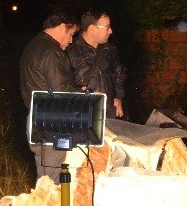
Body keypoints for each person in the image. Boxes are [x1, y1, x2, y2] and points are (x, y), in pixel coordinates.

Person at [19, 11, 79, 181]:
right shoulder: (51, 51)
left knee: (45, 177)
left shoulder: (33, 45)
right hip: (52, 121)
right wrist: (84, 94)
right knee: (53, 180)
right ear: (62, 27)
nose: (71, 40)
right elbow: (62, 92)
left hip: (37, 118)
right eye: (71, 34)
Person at [66, 10, 126, 120]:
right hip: (82, 113)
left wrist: (118, 97)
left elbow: (120, 73)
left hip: (109, 111)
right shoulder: (71, 51)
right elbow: (65, 85)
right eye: (107, 27)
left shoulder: (109, 49)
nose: (111, 31)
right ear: (92, 29)